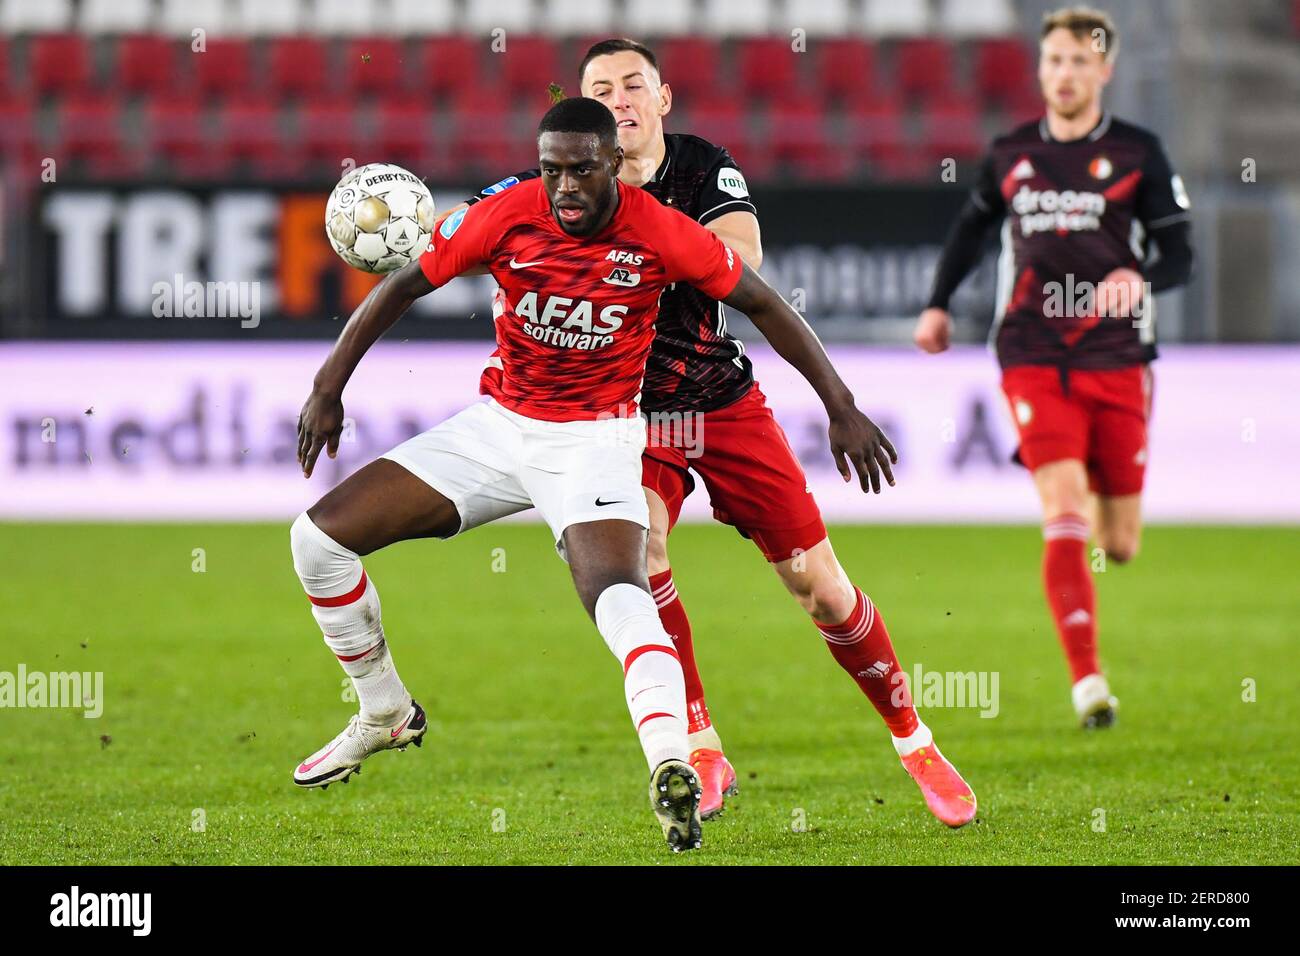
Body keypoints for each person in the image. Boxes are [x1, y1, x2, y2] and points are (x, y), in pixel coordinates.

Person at [290, 97, 900, 852]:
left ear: (615, 165)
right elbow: (404, 286)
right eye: (553, 170)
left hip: (595, 442)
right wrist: (327, 388)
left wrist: (840, 404)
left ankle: (671, 766)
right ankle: (384, 711)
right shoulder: (508, 213)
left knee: (618, 596)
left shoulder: (660, 231)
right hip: (498, 428)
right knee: (316, 542)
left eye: (583, 169)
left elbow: (763, 303)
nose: (566, 187)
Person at [438, 38, 978, 827]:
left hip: (719, 399)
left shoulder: (703, 168)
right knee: (642, 558)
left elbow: (743, 260)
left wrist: (839, 403)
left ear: (662, 101)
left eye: (633, 85)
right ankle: (699, 744)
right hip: (623, 417)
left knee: (818, 587)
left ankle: (915, 740)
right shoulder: (550, 185)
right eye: (601, 88)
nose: (618, 98)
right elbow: (460, 229)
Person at [914, 7, 1193, 727]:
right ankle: (1087, 682)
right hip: (1032, 352)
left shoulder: (1138, 153)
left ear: (1104, 69)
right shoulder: (1010, 154)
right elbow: (971, 230)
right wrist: (938, 304)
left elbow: (1181, 254)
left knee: (1120, 543)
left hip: (1119, 357)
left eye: (1079, 61)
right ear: (1041, 71)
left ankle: (1097, 530)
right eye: (1054, 62)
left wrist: (1142, 279)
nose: (1064, 74)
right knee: (1062, 508)